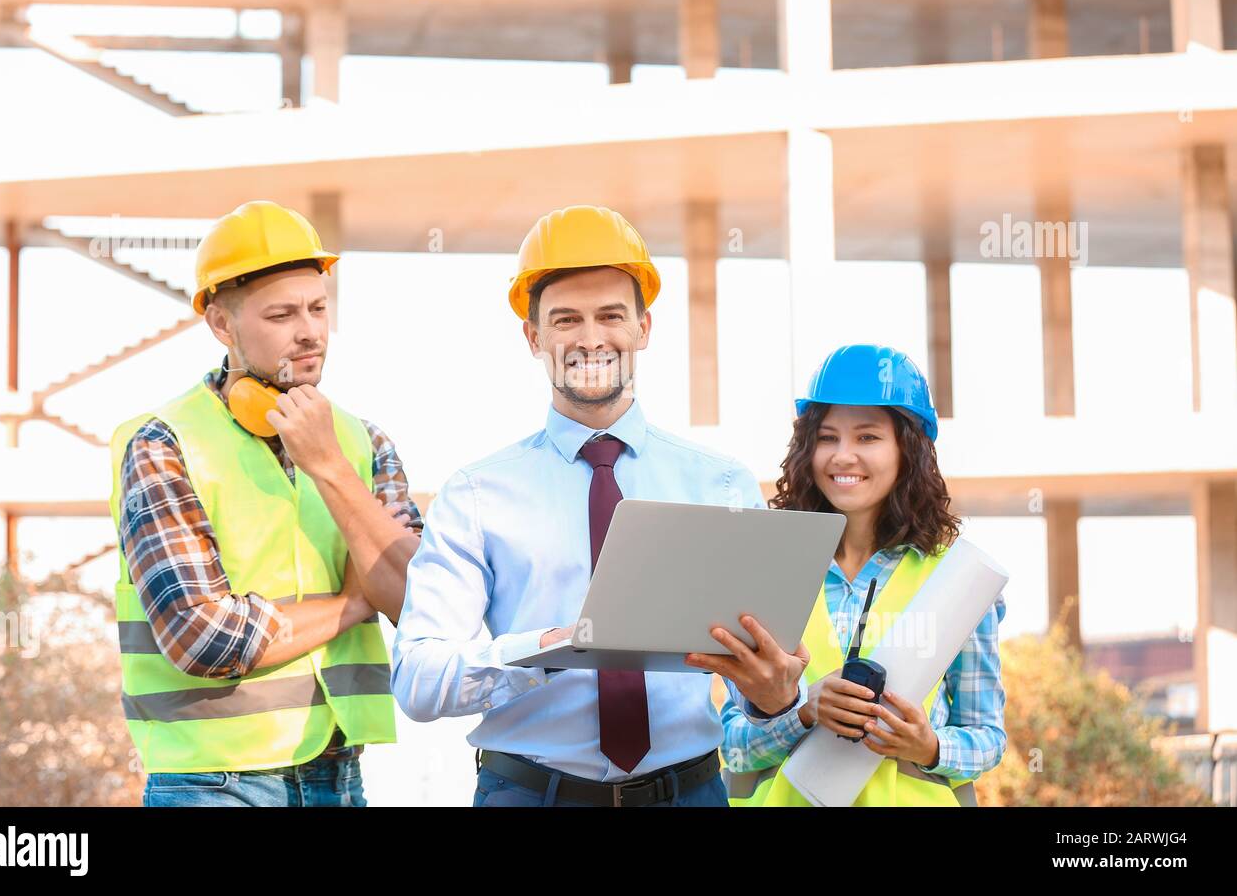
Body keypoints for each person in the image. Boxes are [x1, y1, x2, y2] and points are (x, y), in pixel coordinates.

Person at [390, 204, 806, 807]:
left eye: (611, 315)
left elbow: (754, 699)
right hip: (529, 793)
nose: (590, 338)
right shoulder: (478, 495)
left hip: (687, 792)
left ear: (644, 328)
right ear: (534, 337)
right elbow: (419, 683)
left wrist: (777, 696)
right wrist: (549, 649)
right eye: (566, 320)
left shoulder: (720, 485)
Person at [108, 200, 422, 806]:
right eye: (281, 314)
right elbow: (200, 636)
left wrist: (329, 465)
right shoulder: (164, 444)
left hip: (340, 774)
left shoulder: (363, 443)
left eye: (318, 308)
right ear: (221, 327)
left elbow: (420, 600)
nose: (309, 331)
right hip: (212, 786)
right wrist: (357, 601)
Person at [717, 344, 1006, 806]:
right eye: (827, 438)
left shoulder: (957, 581)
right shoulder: (768, 569)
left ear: (906, 450)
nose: (842, 456)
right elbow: (731, 744)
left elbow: (988, 736)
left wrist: (929, 746)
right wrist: (804, 712)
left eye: (867, 438)